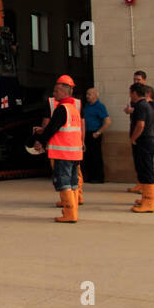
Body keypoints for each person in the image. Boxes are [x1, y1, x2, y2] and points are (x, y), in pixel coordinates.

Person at [32, 74, 83, 223]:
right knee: (73, 183)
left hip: (63, 153)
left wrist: (40, 141)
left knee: (63, 182)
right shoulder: (74, 109)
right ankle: (73, 212)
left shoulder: (62, 109)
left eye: (56, 92)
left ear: (64, 91)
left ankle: (69, 213)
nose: (54, 95)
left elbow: (52, 128)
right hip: (75, 153)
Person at [128, 82, 154, 212]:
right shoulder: (148, 106)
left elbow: (140, 125)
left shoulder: (141, 106)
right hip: (149, 141)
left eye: (130, 93)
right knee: (145, 170)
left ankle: (148, 203)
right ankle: (146, 198)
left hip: (144, 142)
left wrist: (133, 138)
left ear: (135, 93)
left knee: (145, 171)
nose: (130, 96)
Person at [81, 85, 110, 183]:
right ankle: (89, 176)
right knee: (87, 156)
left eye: (89, 94)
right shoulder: (87, 106)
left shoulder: (100, 106)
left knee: (96, 156)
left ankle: (98, 177)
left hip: (94, 133)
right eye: (87, 94)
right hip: (86, 133)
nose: (87, 96)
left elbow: (107, 121)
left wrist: (98, 132)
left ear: (95, 95)